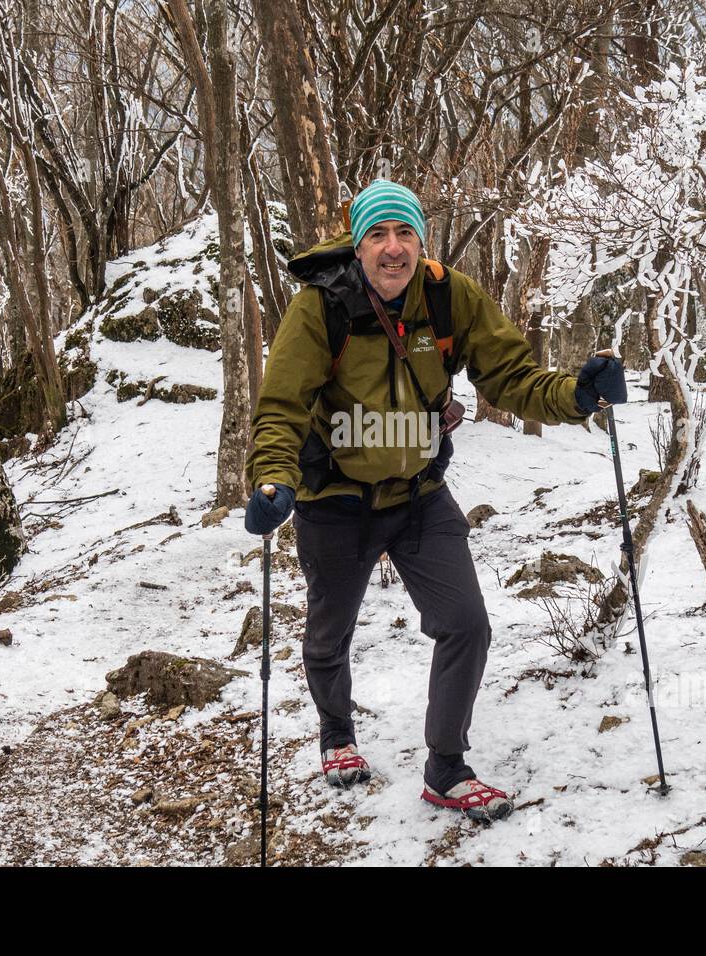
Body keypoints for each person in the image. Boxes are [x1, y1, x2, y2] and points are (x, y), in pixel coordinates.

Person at [243, 180, 626, 822]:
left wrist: (578, 396)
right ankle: (337, 733)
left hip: (419, 495)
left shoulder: (451, 297)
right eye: (377, 235)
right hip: (335, 499)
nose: (393, 249)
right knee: (328, 635)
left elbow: (510, 376)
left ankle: (446, 767)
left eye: (405, 234)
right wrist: (272, 478)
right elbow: (282, 406)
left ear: (421, 240)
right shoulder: (321, 307)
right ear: (358, 243)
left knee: (466, 623)